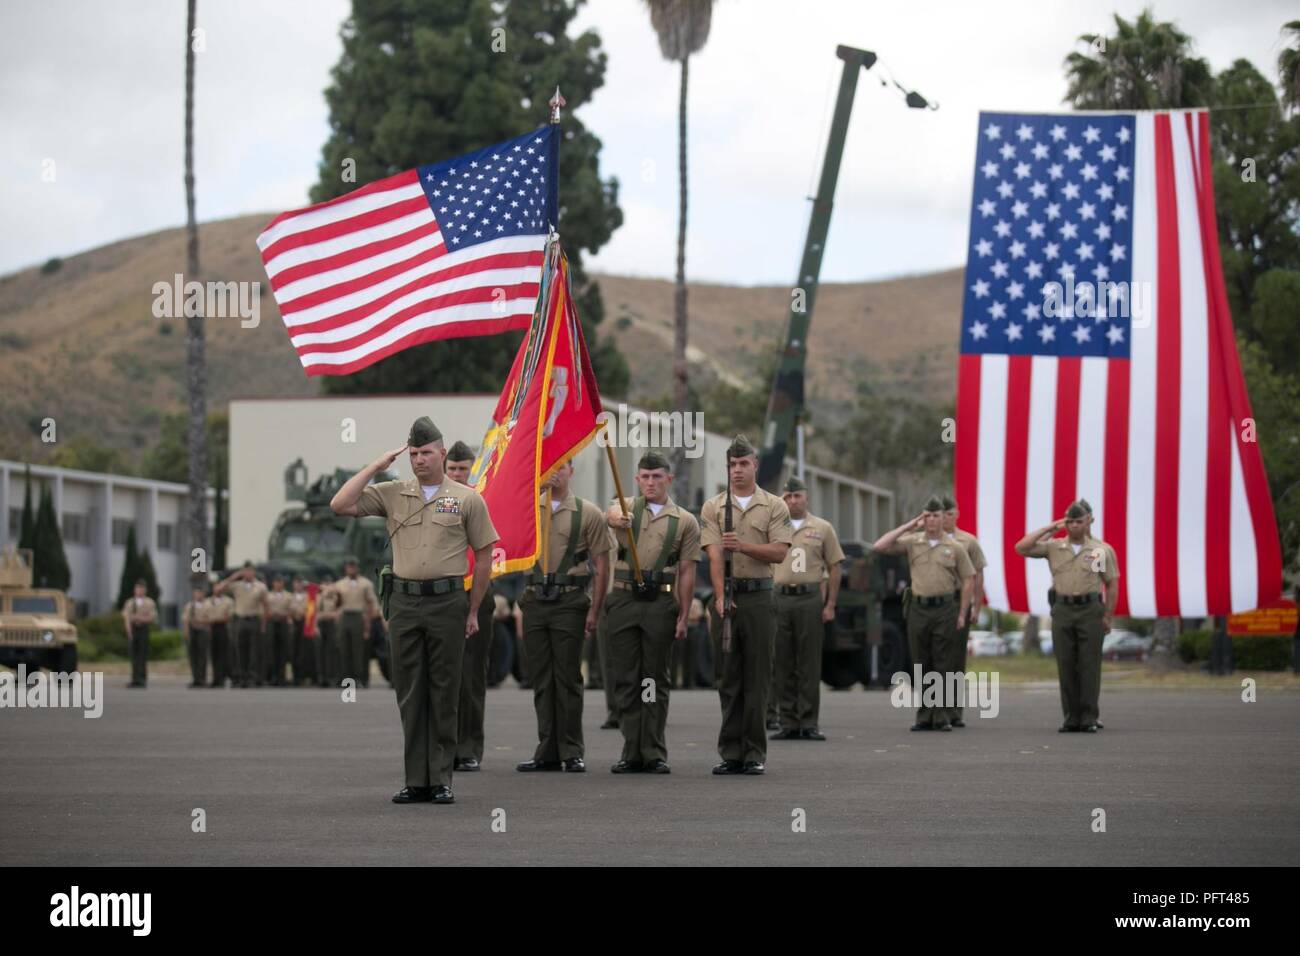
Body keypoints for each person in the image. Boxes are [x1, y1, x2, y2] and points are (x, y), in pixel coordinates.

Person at [331, 416, 498, 806]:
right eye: (414, 453)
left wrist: (473, 610)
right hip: (404, 603)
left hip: (447, 601)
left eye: (426, 452)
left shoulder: (468, 498)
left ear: (442, 453)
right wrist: (375, 466)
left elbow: (486, 556)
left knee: (444, 690)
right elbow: (340, 504)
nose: (420, 460)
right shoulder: (392, 492)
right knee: (410, 692)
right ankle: (415, 780)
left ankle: (440, 779)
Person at [603, 451, 701, 773]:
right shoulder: (627, 509)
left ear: (668, 479)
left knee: (652, 679)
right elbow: (611, 511)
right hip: (624, 601)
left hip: (660, 603)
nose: (650, 482)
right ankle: (631, 750)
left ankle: (653, 750)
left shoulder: (684, 520)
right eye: (644, 476)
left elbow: (687, 571)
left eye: (657, 476)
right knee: (628, 678)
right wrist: (616, 518)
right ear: (636, 480)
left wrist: (684, 615)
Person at [699, 435, 793, 775]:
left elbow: (780, 552)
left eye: (743, 464)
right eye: (732, 465)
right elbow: (713, 555)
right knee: (728, 677)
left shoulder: (774, 505)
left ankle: (754, 753)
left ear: (755, 465)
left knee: (758, 676)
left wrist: (743, 546)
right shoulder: (713, 507)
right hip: (729, 597)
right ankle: (731, 752)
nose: (737, 470)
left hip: (759, 597)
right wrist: (721, 596)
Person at [515, 460, 614, 774]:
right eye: (549, 465)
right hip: (534, 599)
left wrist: (594, 611)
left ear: (573, 470)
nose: (555, 471)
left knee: (567, 678)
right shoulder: (528, 509)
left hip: (570, 601)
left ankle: (571, 750)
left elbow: (602, 566)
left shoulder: (588, 513)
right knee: (541, 679)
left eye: (562, 465)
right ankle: (547, 750)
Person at [1015, 499, 1119, 733]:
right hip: (1062, 609)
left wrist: (1108, 616)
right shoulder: (1054, 547)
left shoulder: (1099, 550)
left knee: (1089, 665)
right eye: (1069, 521)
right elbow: (1022, 547)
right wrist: (1051, 527)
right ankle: (1071, 718)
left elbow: (1111, 583)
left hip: (1090, 609)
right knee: (1066, 664)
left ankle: (1089, 717)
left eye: (1078, 521)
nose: (1073, 526)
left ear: (1088, 522)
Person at [873, 496, 975, 731]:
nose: (931, 520)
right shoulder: (913, 542)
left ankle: (940, 716)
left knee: (942, 662)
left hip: (945, 609)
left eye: (936, 515)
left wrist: (962, 613)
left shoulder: (955, 547)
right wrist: (910, 525)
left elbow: (968, 579)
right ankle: (924, 715)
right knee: (920, 662)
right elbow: (880, 546)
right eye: (927, 515)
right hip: (918, 608)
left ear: (942, 518)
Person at [770, 475, 844, 741]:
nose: (792, 500)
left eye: (796, 496)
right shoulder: (774, 526)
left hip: (809, 598)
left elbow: (835, 566)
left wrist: (830, 604)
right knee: (783, 661)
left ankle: (809, 722)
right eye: (787, 496)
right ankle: (788, 721)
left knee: (809, 662)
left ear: (806, 497)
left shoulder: (822, 528)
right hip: (780, 598)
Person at [445, 439, 494, 772]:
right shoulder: (434, 500)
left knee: (472, 676)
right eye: (453, 468)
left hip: (476, 592)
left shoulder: (484, 499)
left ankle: (469, 748)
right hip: (442, 594)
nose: (458, 474)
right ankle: (442, 746)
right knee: (442, 676)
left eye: (463, 469)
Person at [942, 493, 986, 727]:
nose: (946, 517)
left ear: (957, 514)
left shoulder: (968, 541)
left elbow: (978, 576)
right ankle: (935, 708)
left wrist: (975, 607)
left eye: (950, 513)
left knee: (956, 659)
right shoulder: (927, 539)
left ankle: (954, 711)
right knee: (936, 658)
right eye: (943, 513)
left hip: (960, 599)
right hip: (937, 600)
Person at [215, 562, 269, 688]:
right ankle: (241, 677)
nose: (248, 573)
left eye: (250, 570)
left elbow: (266, 606)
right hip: (240, 620)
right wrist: (234, 576)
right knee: (240, 650)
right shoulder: (237, 586)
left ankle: (252, 677)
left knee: (254, 651)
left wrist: (264, 624)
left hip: (254, 619)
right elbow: (218, 589)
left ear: (254, 572)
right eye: (245, 570)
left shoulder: (260, 586)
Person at [334, 557, 380, 688]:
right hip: (344, 616)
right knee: (344, 648)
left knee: (358, 650)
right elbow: (335, 603)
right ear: (346, 569)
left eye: (353, 566)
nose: (351, 569)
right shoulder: (340, 584)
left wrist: (372, 616)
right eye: (349, 566)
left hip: (359, 616)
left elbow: (372, 601)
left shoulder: (365, 583)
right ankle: (346, 678)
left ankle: (359, 678)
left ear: (357, 568)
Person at [121, 580, 158, 689]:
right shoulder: (129, 602)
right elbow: (126, 617)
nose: (139, 591)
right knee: (134, 655)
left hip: (143, 629)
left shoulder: (149, 602)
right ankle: (135, 679)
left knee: (142, 654)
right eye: (138, 588)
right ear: (135, 590)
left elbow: (152, 617)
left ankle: (142, 678)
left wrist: (139, 618)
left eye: (142, 589)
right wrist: (128, 631)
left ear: (145, 590)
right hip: (133, 629)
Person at [181, 584, 212, 689]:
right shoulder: (189, 605)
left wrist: (200, 621)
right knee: (193, 656)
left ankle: (202, 679)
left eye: (200, 593)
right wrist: (186, 633)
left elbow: (210, 619)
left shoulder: (208, 605)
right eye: (196, 593)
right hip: (192, 631)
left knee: (202, 656)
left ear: (203, 594)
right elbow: (185, 620)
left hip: (203, 630)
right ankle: (196, 679)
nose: (198, 595)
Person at [265, 576, 293, 687]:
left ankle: (282, 677)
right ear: (273, 584)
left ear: (283, 584)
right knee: (271, 650)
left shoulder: (289, 596)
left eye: (280, 582)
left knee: (283, 651)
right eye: (276, 582)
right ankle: (273, 677)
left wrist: (284, 615)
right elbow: (264, 609)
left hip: (283, 623)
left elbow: (291, 610)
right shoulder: (267, 595)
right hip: (272, 623)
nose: (278, 584)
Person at [208, 585, 235, 688]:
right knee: (214, 655)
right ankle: (216, 678)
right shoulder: (208, 601)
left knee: (224, 654)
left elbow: (229, 616)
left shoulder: (228, 601)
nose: (217, 589)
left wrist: (216, 618)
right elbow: (206, 615)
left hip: (223, 628)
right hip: (211, 627)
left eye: (219, 587)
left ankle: (223, 678)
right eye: (216, 587)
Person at [317, 575, 342, 688]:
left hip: (333, 625)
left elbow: (339, 610)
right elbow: (314, 611)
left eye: (329, 584)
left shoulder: (336, 597)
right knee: (321, 651)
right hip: (321, 624)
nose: (327, 587)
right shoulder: (318, 597)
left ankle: (334, 677)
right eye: (325, 584)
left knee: (333, 651)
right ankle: (323, 677)